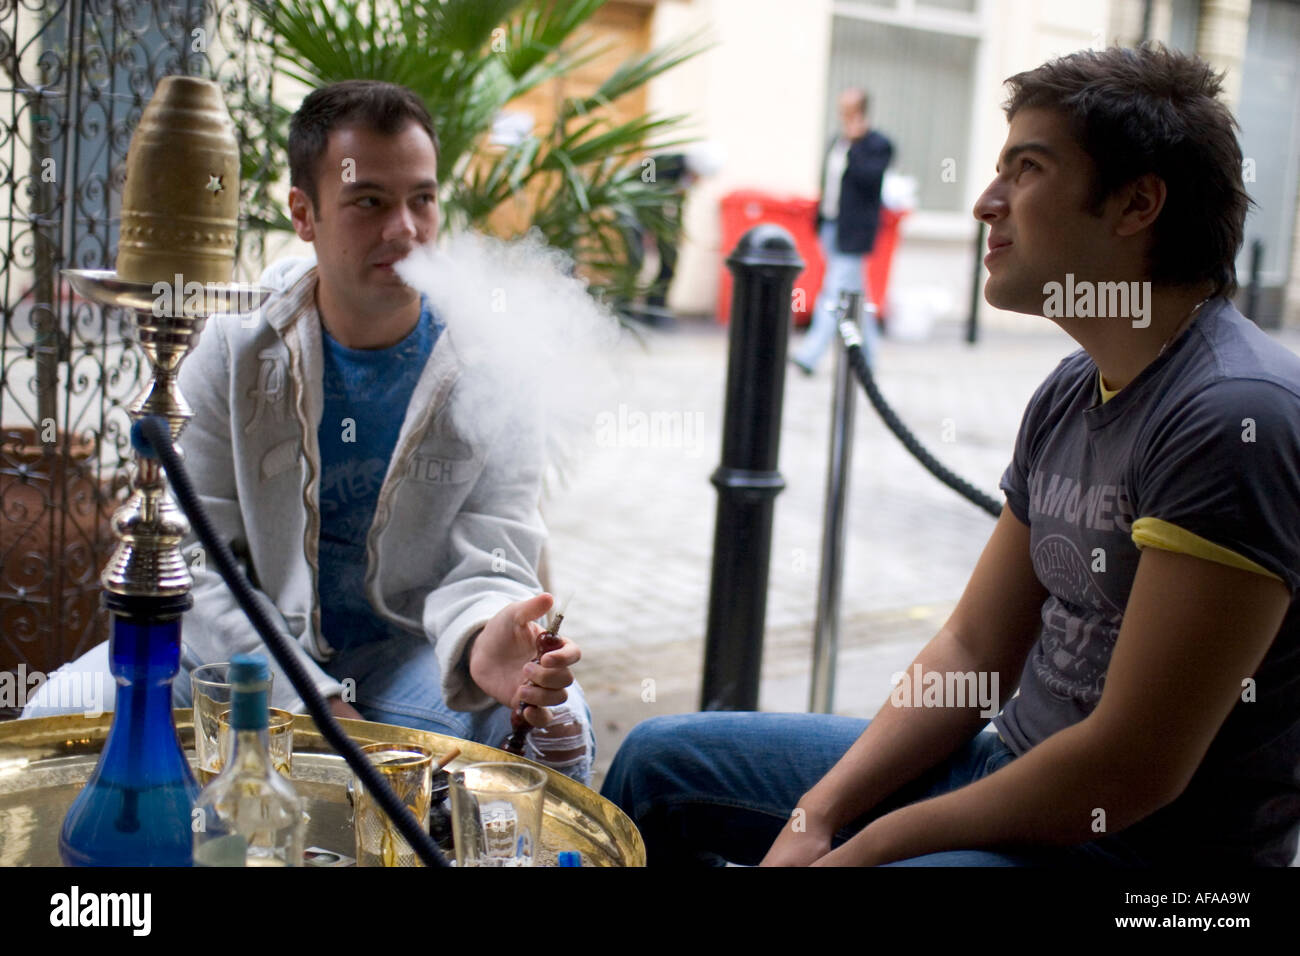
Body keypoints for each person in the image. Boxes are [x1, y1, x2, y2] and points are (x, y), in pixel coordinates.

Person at [601, 44, 1300, 865]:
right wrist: (816, 817)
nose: (983, 204)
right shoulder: (1075, 387)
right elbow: (973, 649)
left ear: (1137, 203)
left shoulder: (1231, 417)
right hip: (1011, 768)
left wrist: (869, 846)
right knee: (659, 763)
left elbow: (1129, 769)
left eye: (1026, 169)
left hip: (1140, 858)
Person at [25, 81, 594, 784]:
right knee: (55, 721)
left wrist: (484, 641)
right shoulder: (233, 346)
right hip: (248, 656)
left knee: (560, 738)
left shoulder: (492, 358)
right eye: (369, 202)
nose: (405, 230)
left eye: (422, 199)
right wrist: (311, 701)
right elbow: (196, 564)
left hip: (408, 662)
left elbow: (495, 550)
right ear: (304, 213)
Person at [790, 88, 893, 376]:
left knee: (832, 293)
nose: (843, 113)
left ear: (861, 109)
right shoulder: (836, 142)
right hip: (831, 226)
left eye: (848, 107)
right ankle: (871, 358)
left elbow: (870, 180)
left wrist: (856, 144)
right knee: (856, 293)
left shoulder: (877, 144)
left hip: (855, 232)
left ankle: (809, 355)